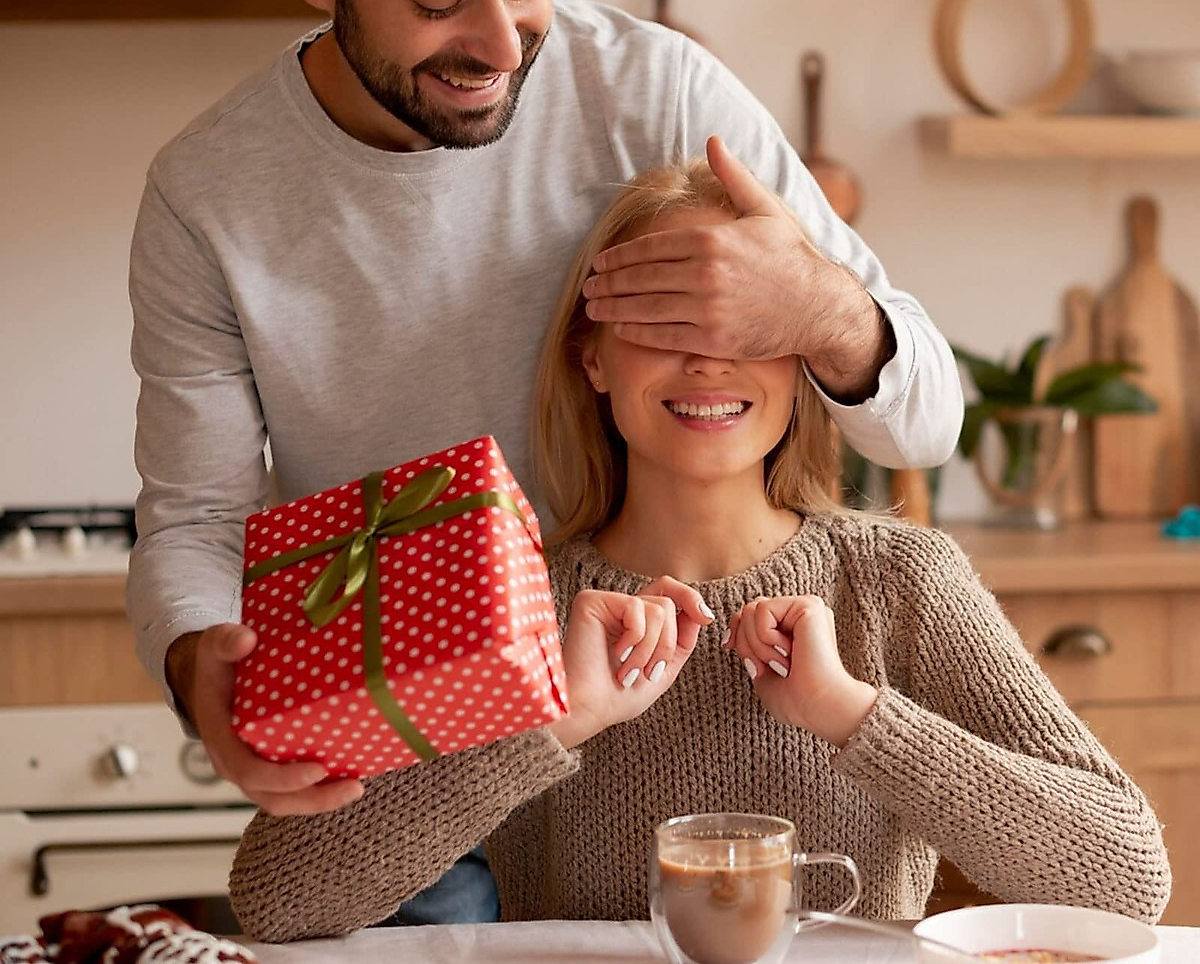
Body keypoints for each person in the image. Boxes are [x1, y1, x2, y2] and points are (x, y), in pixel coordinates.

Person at [126, 0, 963, 925]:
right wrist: (200, 666)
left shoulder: (661, 92)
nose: (504, 44)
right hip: (421, 771)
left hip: (668, 711)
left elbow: (925, 413)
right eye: (436, 3)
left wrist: (818, 308)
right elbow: (197, 522)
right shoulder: (206, 195)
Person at [225, 160, 1170, 942]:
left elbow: (1129, 878)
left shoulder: (901, 582)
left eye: (748, 329)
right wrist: (556, 722)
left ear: (800, 361)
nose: (709, 362)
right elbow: (276, 899)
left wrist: (853, 715)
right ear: (592, 358)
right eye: (661, 325)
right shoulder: (517, 598)